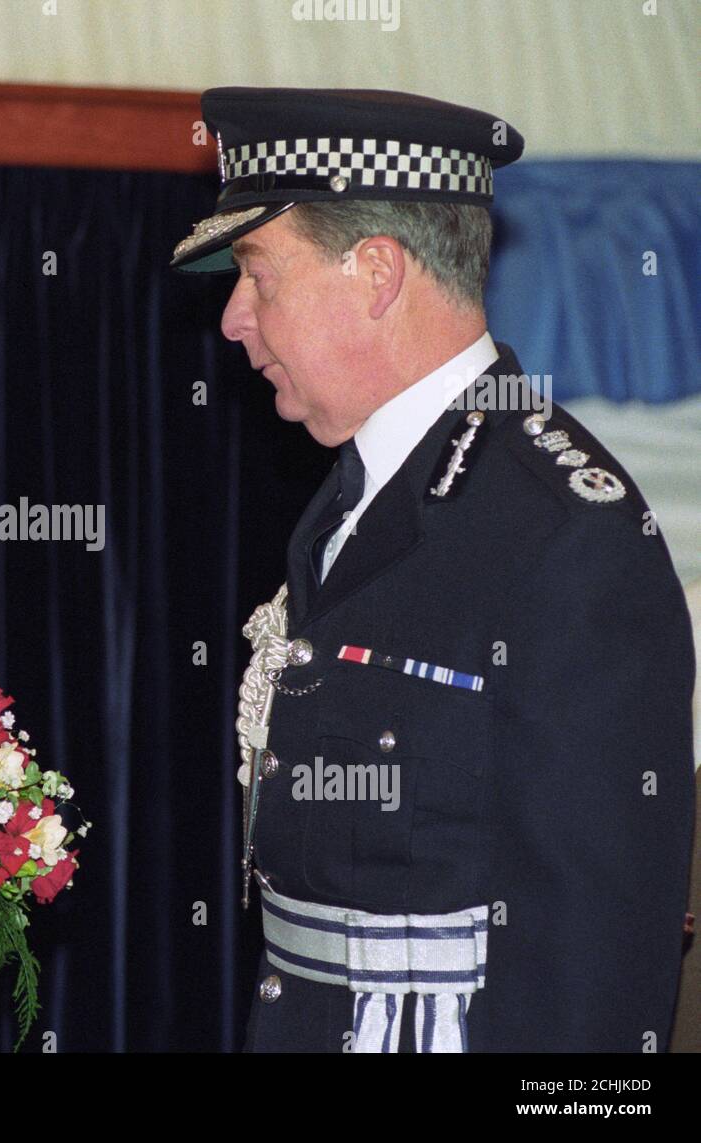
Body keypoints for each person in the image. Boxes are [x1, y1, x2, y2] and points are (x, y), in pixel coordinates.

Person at [172, 88, 695, 1052]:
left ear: (376, 273)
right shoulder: (356, 492)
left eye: (257, 274)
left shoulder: (564, 533)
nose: (236, 319)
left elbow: (600, 955)